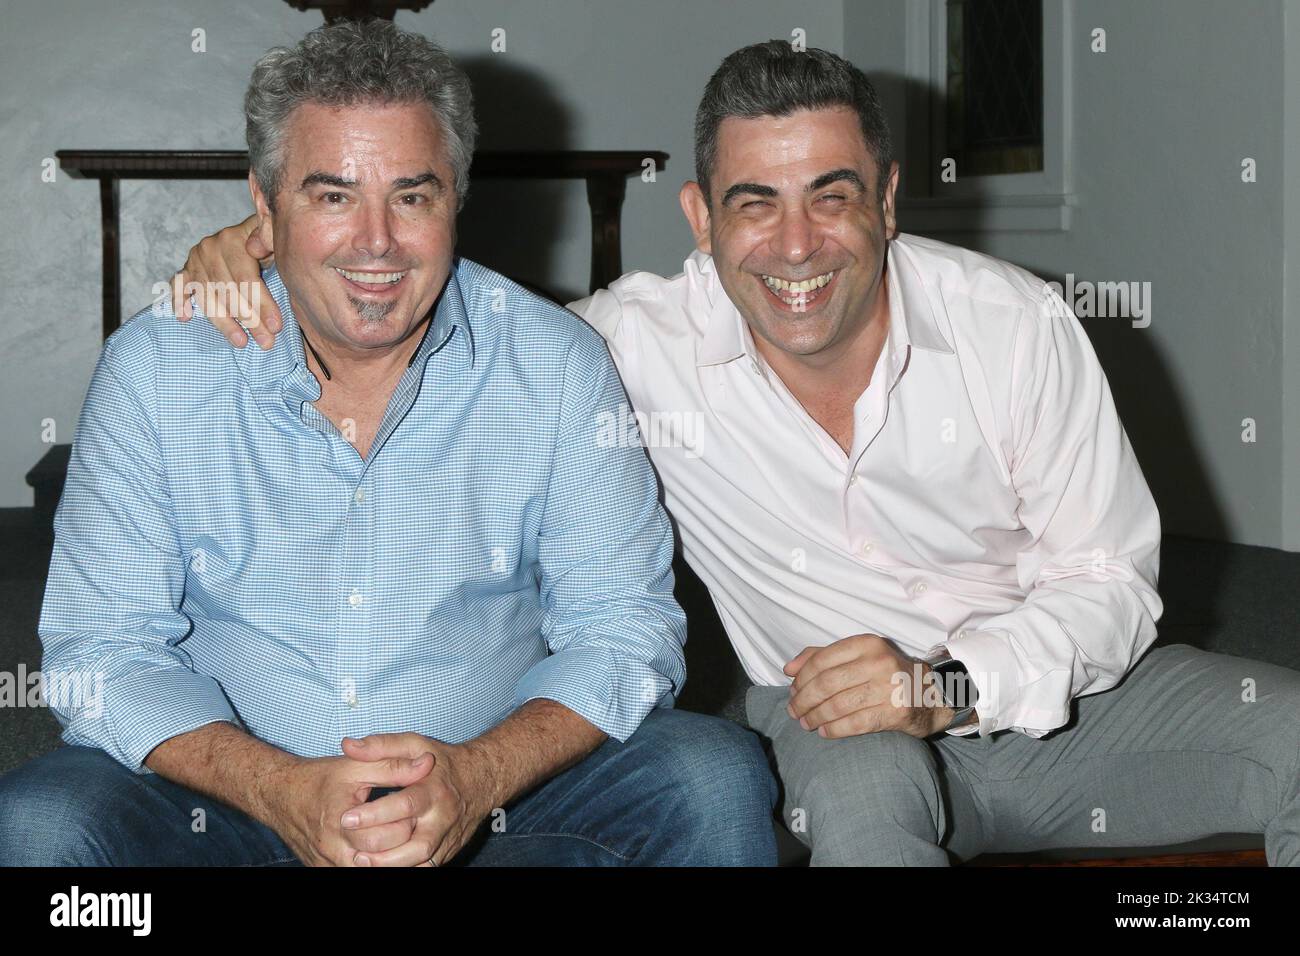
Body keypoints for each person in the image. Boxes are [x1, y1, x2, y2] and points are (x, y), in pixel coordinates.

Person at [166, 39, 1300, 866]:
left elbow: (1109, 579)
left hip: (1063, 705)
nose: (794, 244)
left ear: (889, 202)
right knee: (862, 808)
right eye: (755, 203)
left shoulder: (1016, 325)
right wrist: (258, 243)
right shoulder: (619, 346)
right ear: (701, 219)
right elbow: (428, 309)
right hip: (827, 721)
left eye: (831, 196)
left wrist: (945, 682)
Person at [0, 20, 779, 868]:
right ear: (264, 207)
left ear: (456, 197)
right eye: (333, 196)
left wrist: (477, 776)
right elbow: (101, 653)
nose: (376, 241)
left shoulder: (555, 365)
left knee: (711, 777)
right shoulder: (154, 369)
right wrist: (277, 788)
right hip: (224, 812)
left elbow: (626, 630)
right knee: (42, 823)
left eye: (411, 196)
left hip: (492, 816)